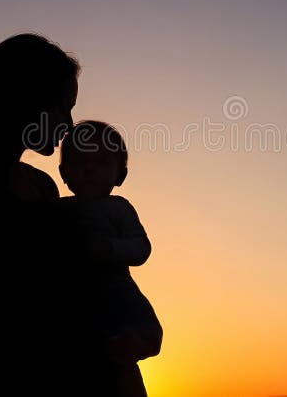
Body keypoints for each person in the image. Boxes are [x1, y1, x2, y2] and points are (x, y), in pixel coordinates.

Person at [0, 33, 161, 396]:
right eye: (62, 106)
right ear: (24, 101)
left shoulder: (41, 185)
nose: (69, 123)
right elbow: (2, 307)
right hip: (11, 381)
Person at [57, 121, 163, 397]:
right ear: (63, 172)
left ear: (121, 175)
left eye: (102, 161)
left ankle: (133, 343)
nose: (90, 168)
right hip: (73, 292)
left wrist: (110, 249)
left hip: (114, 284)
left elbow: (141, 247)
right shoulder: (56, 209)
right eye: (80, 160)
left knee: (141, 323)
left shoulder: (118, 208)